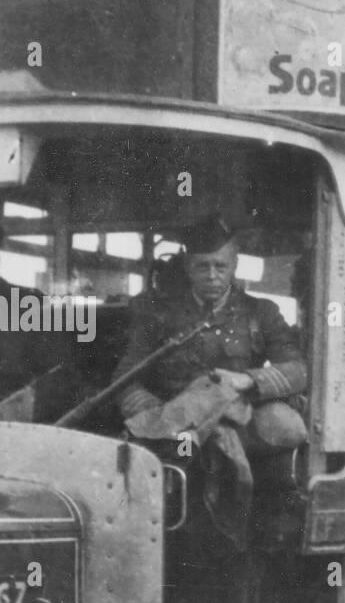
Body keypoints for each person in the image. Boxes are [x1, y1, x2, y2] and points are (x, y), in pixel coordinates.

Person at [114, 218, 307, 544]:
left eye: (221, 266)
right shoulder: (159, 315)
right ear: (189, 267)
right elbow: (125, 378)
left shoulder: (261, 313)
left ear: (235, 266)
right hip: (174, 438)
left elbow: (298, 370)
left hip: (239, 432)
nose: (212, 275)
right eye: (203, 266)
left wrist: (248, 380)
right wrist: (157, 412)